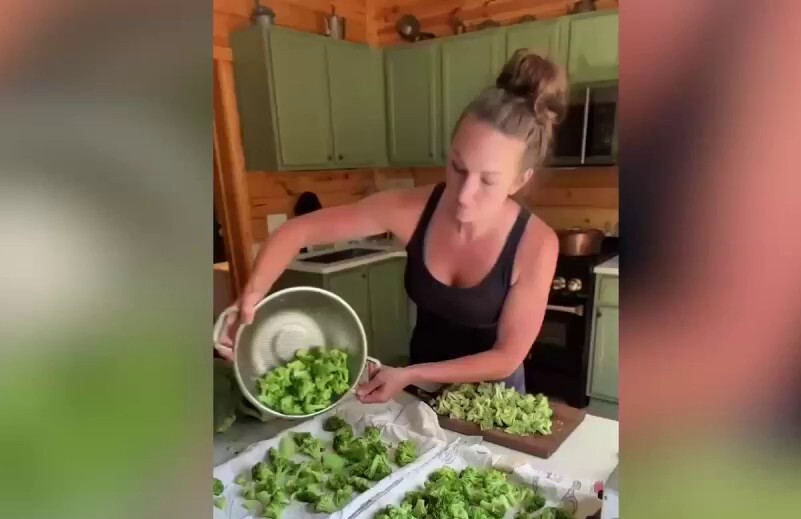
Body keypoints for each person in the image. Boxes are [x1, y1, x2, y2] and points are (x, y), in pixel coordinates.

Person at [216, 49, 566, 405]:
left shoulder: (536, 244)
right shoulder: (409, 209)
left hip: (496, 402)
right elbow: (296, 231)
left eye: (488, 180)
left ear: (519, 181)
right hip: (420, 390)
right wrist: (250, 298)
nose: (464, 195)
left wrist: (412, 373)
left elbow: (506, 357)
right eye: (458, 168)